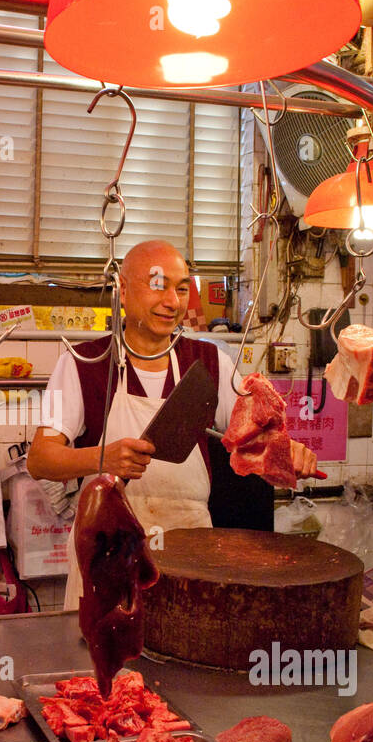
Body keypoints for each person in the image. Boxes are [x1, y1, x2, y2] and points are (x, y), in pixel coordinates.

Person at [26, 240, 318, 609]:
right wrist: (103, 459)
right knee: (104, 660)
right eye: (158, 284)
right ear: (124, 291)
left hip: (190, 553)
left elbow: (255, 439)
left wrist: (285, 452)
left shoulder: (210, 362)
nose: (173, 301)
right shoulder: (80, 363)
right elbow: (40, 459)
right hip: (107, 553)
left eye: (182, 289)